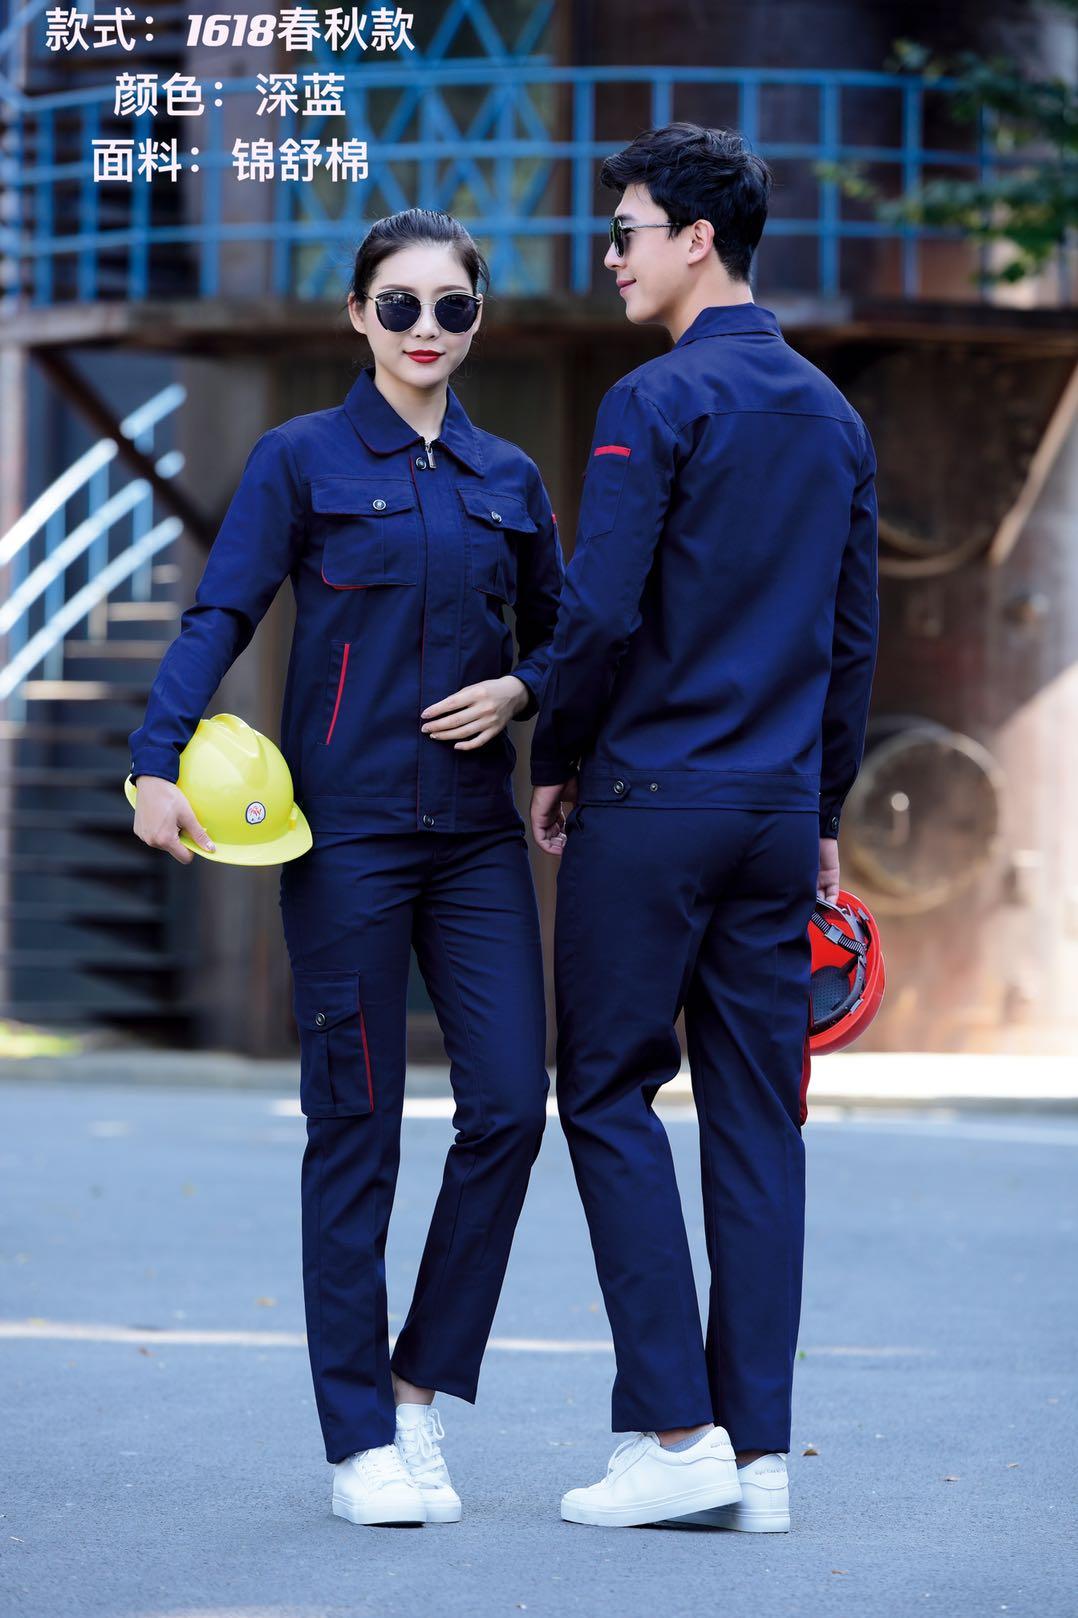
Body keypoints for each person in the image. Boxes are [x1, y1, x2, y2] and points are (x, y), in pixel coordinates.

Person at [128, 208, 565, 1527]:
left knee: (510, 1106)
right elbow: (221, 611)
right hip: (349, 842)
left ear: (477, 321)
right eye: (400, 305)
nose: (426, 329)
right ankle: (359, 1438)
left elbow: (566, 637)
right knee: (355, 1128)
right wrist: (156, 759)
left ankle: (417, 1387)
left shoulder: (507, 476)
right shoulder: (300, 459)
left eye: (452, 307)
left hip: (476, 839)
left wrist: (526, 696)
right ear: (358, 316)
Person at [530, 123, 880, 1531]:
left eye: (625, 231)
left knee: (606, 1094)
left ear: (695, 240)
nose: (610, 255)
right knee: (757, 1125)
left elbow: (600, 609)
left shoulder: (654, 399)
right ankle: (758, 1459)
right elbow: (850, 642)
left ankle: (676, 1431)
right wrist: (824, 812)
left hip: (651, 804)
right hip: (774, 817)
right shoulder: (832, 417)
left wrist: (555, 751)